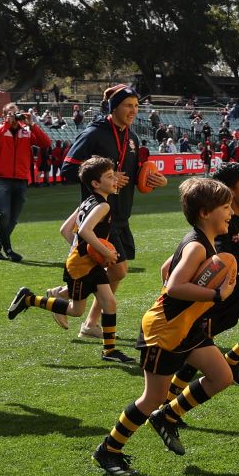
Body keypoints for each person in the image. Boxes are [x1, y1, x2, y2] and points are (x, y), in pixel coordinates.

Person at [92, 177, 238, 476]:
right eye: (226, 207)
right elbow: (173, 286)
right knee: (153, 397)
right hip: (165, 330)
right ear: (205, 212)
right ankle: (109, 450)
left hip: (187, 326)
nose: (231, 213)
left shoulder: (201, 240)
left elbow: (165, 269)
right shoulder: (198, 246)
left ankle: (167, 416)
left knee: (222, 376)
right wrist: (215, 294)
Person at [159, 160, 239, 404]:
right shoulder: (214, 230)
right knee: (199, 352)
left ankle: (233, 359)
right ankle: (168, 402)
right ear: (229, 190)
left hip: (232, 288)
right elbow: (225, 260)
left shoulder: (238, 215)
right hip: (216, 295)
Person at [6, 157, 129, 361]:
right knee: (75, 310)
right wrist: (105, 252)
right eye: (109, 176)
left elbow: (65, 230)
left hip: (87, 262)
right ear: (95, 184)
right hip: (81, 267)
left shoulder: (87, 201)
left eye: (113, 174)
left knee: (109, 302)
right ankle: (29, 299)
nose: (115, 179)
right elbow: (85, 230)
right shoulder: (103, 206)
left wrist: (82, 249)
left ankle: (110, 351)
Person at [64, 85, 147, 342]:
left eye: (136, 105)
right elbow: (68, 170)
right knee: (118, 271)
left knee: (116, 271)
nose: (133, 110)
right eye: (128, 105)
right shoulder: (94, 134)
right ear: (114, 108)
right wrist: (101, 180)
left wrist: (151, 180)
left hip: (121, 213)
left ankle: (72, 300)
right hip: (100, 216)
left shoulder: (130, 137)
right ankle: (84, 315)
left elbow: (132, 176)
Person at [0, 103, 54, 262]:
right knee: (4, 214)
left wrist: (32, 125)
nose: (14, 116)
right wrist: (7, 124)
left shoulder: (27, 131)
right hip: (1, 179)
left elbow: (46, 143)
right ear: (4, 115)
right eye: (10, 113)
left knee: (13, 218)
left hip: (21, 179)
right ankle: (8, 249)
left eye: (16, 113)